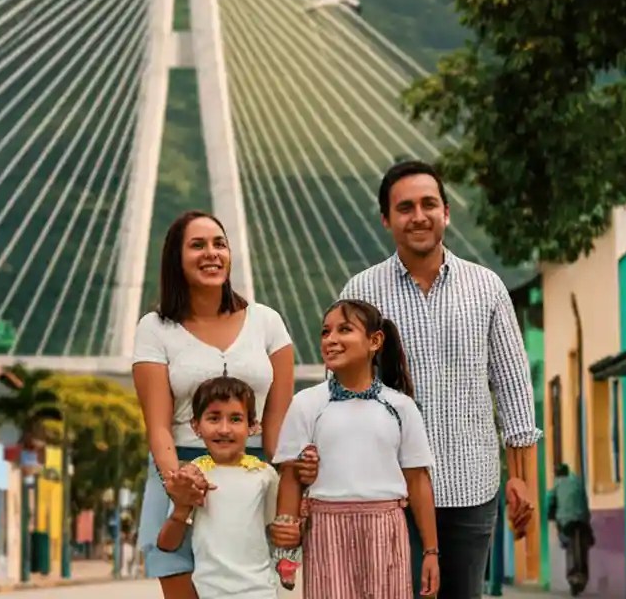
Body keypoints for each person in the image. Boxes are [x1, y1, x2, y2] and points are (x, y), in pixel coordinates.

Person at [340, 160, 542, 598]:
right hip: (386, 488)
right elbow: (343, 393)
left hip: (470, 485)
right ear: (386, 219)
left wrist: (522, 476)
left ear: (446, 212)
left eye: (429, 204)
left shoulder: (486, 287)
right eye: (405, 207)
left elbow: (513, 387)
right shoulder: (361, 294)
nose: (419, 216)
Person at [132, 210, 308, 599]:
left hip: (254, 480)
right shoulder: (154, 328)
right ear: (175, 258)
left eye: (219, 243)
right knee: (179, 575)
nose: (211, 253)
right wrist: (177, 484)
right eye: (197, 245)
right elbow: (158, 424)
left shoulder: (267, 323)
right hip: (180, 472)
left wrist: (290, 492)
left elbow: (278, 423)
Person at [272, 299, 440, 598]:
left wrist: (431, 552)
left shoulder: (401, 407)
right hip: (324, 529)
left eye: (344, 330)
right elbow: (290, 476)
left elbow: (417, 481)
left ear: (375, 341)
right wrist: (286, 548)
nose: (331, 340)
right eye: (325, 332)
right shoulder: (306, 404)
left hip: (385, 529)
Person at [157, 376, 280, 599]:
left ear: (252, 426)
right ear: (196, 426)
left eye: (235, 419)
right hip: (208, 592)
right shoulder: (192, 476)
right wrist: (182, 506)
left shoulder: (265, 476)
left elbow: (279, 533)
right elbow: (167, 543)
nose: (224, 429)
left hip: (260, 591)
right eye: (214, 418)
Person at [546, 464, 593, 596]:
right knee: (583, 550)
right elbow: (585, 501)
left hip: (566, 523)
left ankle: (572, 576)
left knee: (569, 549)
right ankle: (582, 575)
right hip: (582, 521)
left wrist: (551, 516)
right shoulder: (578, 482)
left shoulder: (557, 484)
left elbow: (549, 501)